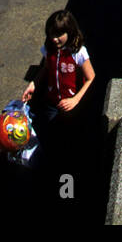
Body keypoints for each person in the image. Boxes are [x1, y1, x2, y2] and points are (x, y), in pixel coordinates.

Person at [20, 10, 95, 154]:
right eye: (51, 35)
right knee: (52, 137)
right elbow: (46, 68)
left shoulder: (78, 52)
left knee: (71, 139)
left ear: (70, 32)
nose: (54, 39)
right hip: (52, 103)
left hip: (72, 106)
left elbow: (91, 77)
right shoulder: (50, 50)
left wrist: (75, 100)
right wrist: (33, 84)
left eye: (59, 35)